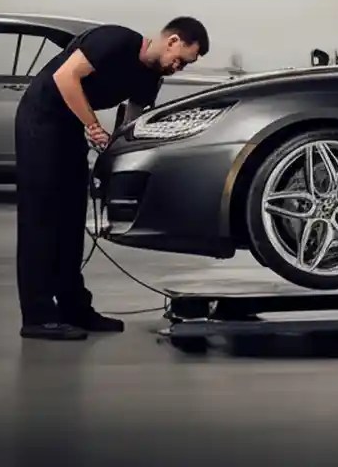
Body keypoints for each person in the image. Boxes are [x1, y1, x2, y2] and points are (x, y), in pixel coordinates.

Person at [14, 17, 209, 340]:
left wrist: (117, 157)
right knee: (42, 218)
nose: (178, 68)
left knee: (72, 219)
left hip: (68, 128)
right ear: (172, 40)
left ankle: (74, 308)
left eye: (184, 66)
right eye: (181, 60)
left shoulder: (150, 78)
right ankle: (37, 316)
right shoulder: (115, 41)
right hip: (40, 119)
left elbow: (130, 126)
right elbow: (66, 77)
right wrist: (93, 126)